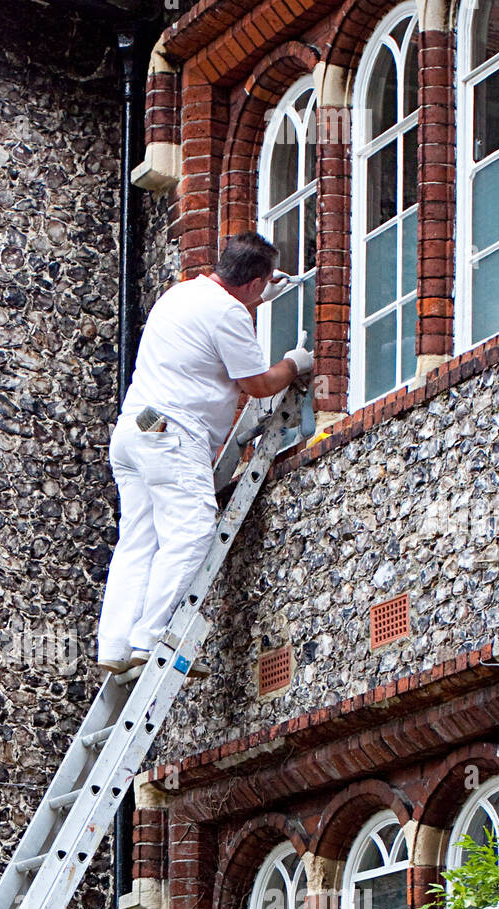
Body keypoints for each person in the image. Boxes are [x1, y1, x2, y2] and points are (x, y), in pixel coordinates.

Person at [95, 232, 314, 677]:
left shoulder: (182, 294)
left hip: (137, 426)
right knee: (193, 529)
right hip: (172, 432)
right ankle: (151, 637)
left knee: (141, 537)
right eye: (264, 284)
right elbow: (257, 385)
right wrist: (295, 364)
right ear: (254, 283)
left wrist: (257, 297)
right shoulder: (228, 313)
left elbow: (207, 338)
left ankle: (116, 644)